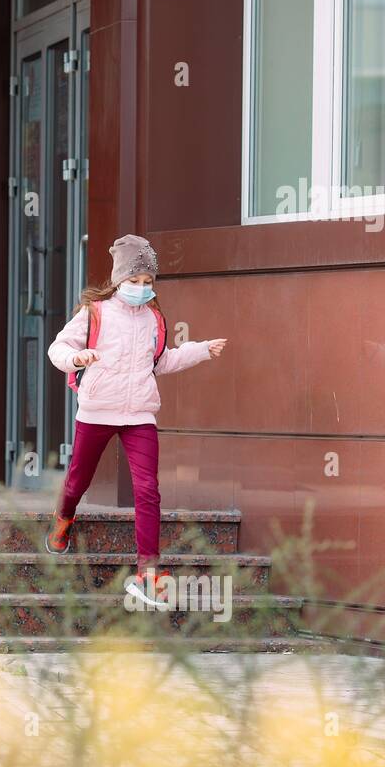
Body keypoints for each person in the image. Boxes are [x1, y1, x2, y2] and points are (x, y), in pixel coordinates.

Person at [45, 234, 227, 605]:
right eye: (134, 281)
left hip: (140, 413)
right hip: (97, 409)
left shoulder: (154, 319)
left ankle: (148, 573)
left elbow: (161, 362)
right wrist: (78, 359)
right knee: (78, 479)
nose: (142, 289)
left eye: (147, 283)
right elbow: (58, 348)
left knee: (147, 489)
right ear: (118, 280)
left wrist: (200, 350)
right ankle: (63, 518)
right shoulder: (95, 312)